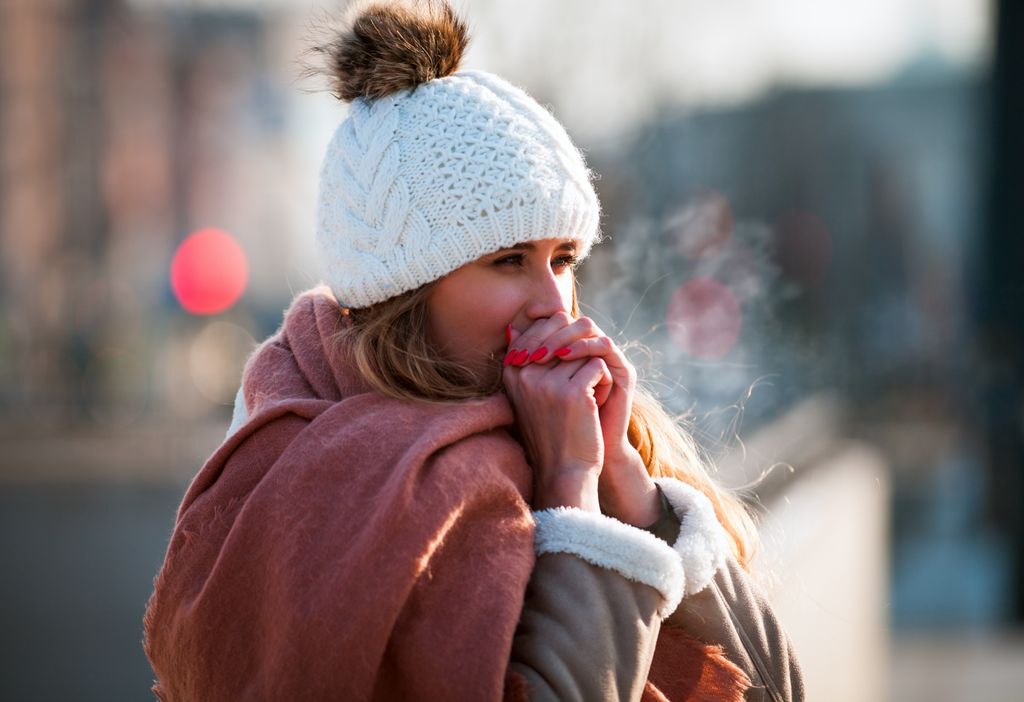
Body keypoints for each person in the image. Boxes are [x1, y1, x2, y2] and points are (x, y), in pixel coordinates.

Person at [143, 1, 805, 700]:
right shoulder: (321, 472)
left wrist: (631, 490)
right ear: (407, 293)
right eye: (510, 259)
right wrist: (570, 497)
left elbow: (778, 689)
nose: (554, 301)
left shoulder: (588, 432)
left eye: (564, 258)